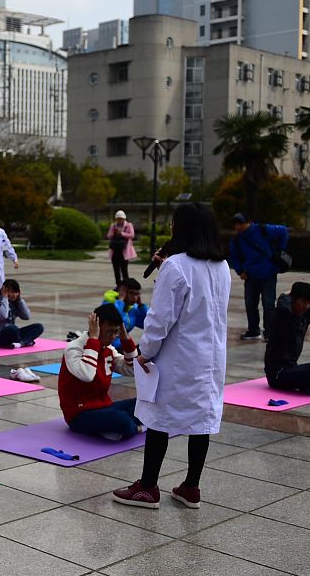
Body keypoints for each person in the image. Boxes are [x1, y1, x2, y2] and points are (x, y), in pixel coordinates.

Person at [113, 202, 230, 509]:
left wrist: (146, 352)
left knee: (158, 417)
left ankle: (148, 486)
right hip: (210, 357)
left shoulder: (176, 266)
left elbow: (160, 319)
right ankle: (191, 486)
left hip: (178, 356)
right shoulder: (222, 266)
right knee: (202, 418)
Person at [59, 305, 140, 440]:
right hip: (79, 414)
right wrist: (93, 340)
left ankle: (114, 428)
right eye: (109, 332)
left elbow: (132, 370)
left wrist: (125, 338)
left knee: (144, 405)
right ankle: (135, 428)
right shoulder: (74, 349)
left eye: (116, 332)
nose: (113, 336)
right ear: (95, 327)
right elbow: (87, 375)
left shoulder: (108, 349)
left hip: (104, 407)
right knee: (122, 420)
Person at [228, 212, 290, 341]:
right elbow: (234, 257)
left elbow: (284, 231)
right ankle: (253, 330)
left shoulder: (262, 230)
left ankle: (269, 332)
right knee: (250, 304)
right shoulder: (237, 240)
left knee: (268, 304)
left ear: (249, 222)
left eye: (241, 223)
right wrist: (240, 271)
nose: (238, 226)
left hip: (268, 273)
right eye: (236, 224)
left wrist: (280, 250)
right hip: (250, 275)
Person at [265, 281, 310, 393]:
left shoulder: (303, 318)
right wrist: (286, 295)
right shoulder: (281, 318)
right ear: (293, 299)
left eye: (309, 303)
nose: (306, 306)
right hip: (278, 375)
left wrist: (309, 295)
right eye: (303, 302)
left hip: (292, 368)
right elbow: (282, 307)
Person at [0, 279, 44, 349]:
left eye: (16, 292)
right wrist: (5, 298)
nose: (14, 295)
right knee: (13, 328)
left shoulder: (15, 301)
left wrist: (19, 300)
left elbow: (26, 316)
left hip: (12, 334)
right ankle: (25, 341)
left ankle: (20, 343)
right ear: (4, 291)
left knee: (38, 327)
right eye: (12, 292)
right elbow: (3, 316)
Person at [102, 278, 148, 347]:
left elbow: (147, 324)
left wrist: (141, 305)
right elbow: (114, 319)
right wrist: (120, 301)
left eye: (137, 294)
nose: (135, 297)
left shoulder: (132, 309)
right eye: (132, 293)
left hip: (123, 347)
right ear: (122, 292)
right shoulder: (108, 305)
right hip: (107, 347)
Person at [106, 210, 137, 287]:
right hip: (115, 251)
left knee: (124, 269)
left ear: (124, 218)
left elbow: (132, 235)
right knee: (116, 270)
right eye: (118, 219)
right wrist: (114, 232)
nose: (119, 220)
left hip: (124, 251)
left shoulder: (128, 225)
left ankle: (126, 285)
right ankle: (118, 285)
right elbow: (108, 236)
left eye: (121, 218)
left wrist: (121, 233)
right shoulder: (113, 225)